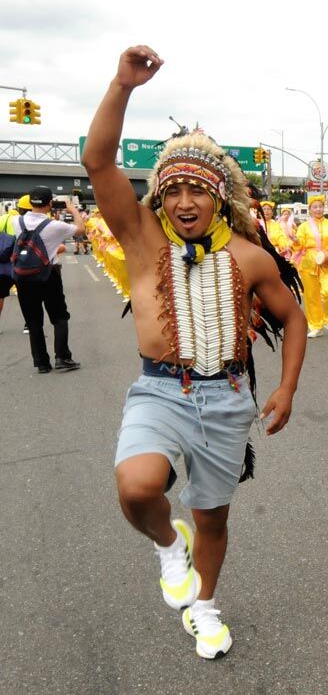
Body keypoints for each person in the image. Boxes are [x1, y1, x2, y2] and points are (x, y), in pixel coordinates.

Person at [82, 45, 307, 659]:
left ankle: (204, 606)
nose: (184, 201)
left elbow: (292, 317)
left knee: (213, 516)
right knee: (136, 487)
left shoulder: (250, 255)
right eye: (173, 188)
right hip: (159, 390)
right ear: (160, 193)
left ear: (218, 198)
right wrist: (122, 86)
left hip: (228, 397)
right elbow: (98, 160)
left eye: (197, 191)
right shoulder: (140, 235)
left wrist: (285, 387)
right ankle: (165, 545)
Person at [12, 187, 85, 373]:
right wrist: (72, 209)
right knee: (60, 317)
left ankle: (41, 363)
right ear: (50, 204)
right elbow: (80, 230)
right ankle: (62, 357)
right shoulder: (55, 226)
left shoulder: (16, 221)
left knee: (33, 320)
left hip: (23, 277)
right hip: (48, 275)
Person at [294, 196, 328, 337]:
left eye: (320, 206)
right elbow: (299, 245)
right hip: (308, 260)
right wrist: (295, 241)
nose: (318, 209)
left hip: (326, 259)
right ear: (310, 210)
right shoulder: (303, 227)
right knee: (311, 296)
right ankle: (316, 326)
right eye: (315, 207)